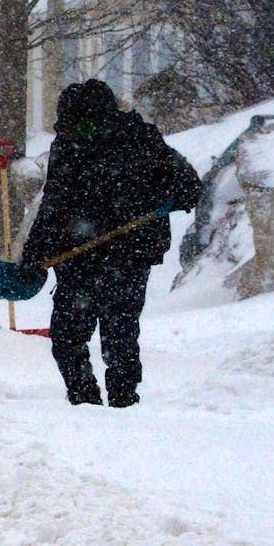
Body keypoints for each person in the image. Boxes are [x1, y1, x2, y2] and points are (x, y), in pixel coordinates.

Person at [19, 79, 202, 407]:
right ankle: (102, 402)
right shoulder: (124, 139)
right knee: (97, 335)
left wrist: (171, 197)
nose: (68, 129)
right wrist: (34, 255)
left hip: (111, 254)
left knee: (95, 336)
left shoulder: (126, 139)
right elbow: (53, 204)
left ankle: (106, 403)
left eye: (73, 123)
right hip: (100, 254)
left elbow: (188, 185)